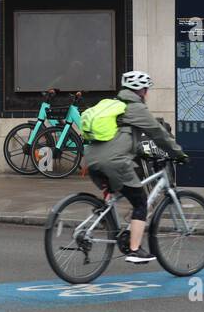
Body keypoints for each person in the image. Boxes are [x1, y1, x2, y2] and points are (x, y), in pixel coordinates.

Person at [80, 70, 187, 264]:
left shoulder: (114, 104)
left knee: (116, 194)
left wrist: (141, 151)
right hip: (114, 162)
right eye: (146, 90)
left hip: (92, 160)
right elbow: (158, 133)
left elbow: (122, 139)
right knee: (140, 203)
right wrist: (178, 153)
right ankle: (134, 249)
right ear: (142, 91)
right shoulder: (136, 108)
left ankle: (107, 224)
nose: (147, 94)